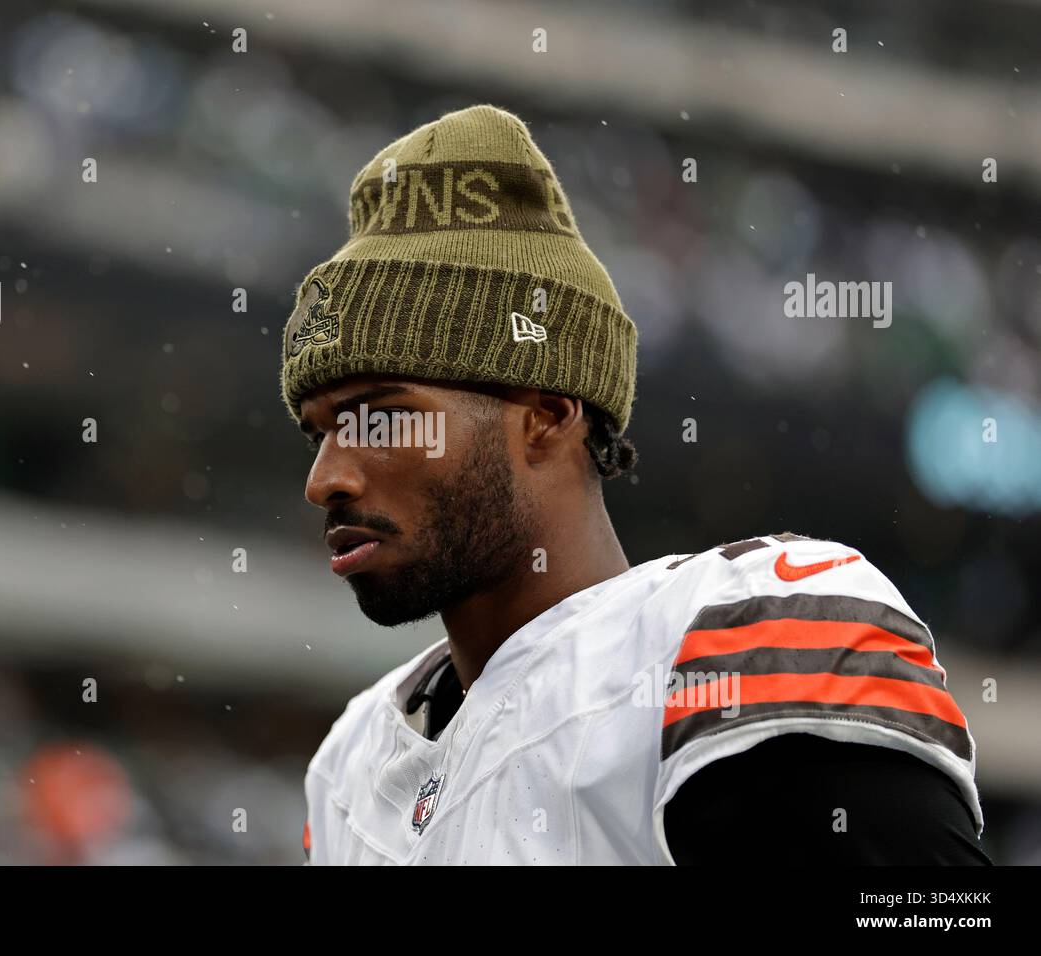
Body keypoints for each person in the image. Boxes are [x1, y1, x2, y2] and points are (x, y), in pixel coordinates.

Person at [281, 104, 989, 865]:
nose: (327, 478)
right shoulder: (352, 768)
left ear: (546, 415)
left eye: (381, 418)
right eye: (321, 430)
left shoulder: (726, 646)